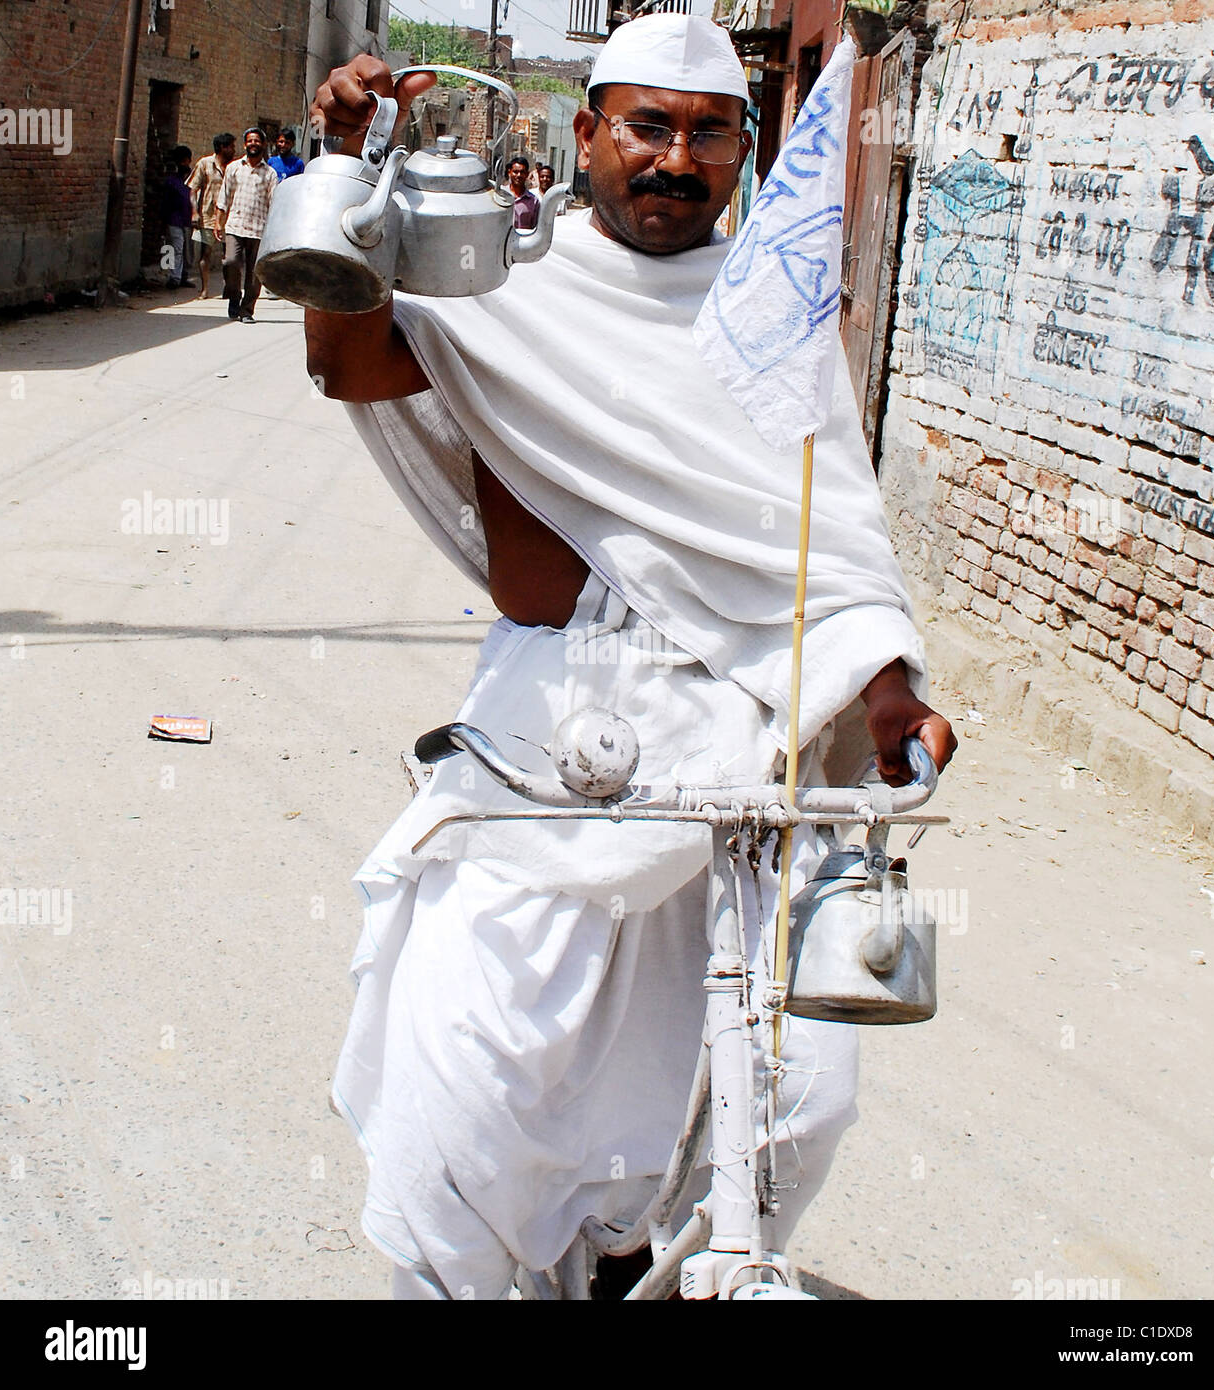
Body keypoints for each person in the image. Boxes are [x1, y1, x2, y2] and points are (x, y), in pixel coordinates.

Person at [307, 14, 956, 1300]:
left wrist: (891, 694)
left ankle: (650, 1261)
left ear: (742, 148)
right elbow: (347, 355)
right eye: (647, 126)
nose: (674, 157)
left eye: (707, 131)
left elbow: (831, 551)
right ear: (590, 132)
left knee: (787, 1102)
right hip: (548, 759)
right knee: (474, 1087)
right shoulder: (502, 284)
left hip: (743, 756)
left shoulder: (772, 317)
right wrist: (345, 165)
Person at [217, 126, 277, 322]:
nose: (253, 144)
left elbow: (274, 202)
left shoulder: (270, 173)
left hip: (259, 229)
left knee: (254, 273)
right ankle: (234, 297)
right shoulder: (234, 168)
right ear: (245, 144)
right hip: (235, 225)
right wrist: (219, 221)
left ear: (263, 144)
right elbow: (224, 195)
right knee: (231, 262)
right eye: (250, 141)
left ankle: (246, 310)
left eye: (257, 141)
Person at [188, 132, 236, 300]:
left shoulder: (234, 166)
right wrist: (194, 212)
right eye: (231, 146)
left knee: (229, 257)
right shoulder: (205, 164)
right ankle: (205, 289)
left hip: (229, 217)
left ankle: (227, 287)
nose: (233, 150)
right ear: (222, 148)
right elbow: (193, 189)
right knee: (206, 253)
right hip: (208, 216)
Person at [161, 145, 194, 290]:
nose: (184, 164)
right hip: (174, 219)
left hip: (189, 219)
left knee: (187, 251)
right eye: (182, 161)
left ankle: (182, 276)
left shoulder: (192, 179)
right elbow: (166, 202)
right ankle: (174, 277)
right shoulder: (171, 181)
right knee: (176, 248)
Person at [502, 155, 539, 229]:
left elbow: (535, 228)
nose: (519, 175)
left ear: (527, 174)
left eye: (522, 172)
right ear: (509, 172)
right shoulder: (501, 195)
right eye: (515, 172)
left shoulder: (533, 201)